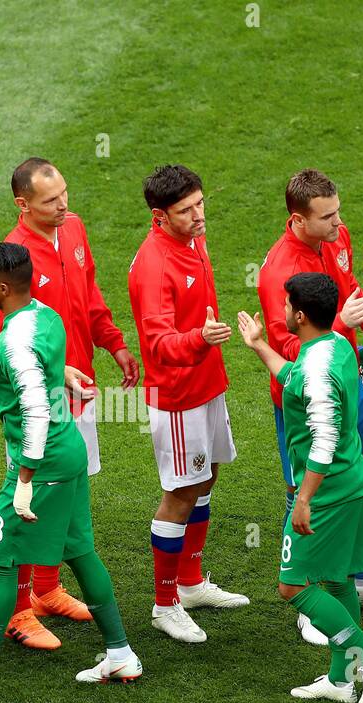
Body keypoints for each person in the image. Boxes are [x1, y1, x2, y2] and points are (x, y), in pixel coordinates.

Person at [0, 243, 141, 700]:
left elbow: (36, 409)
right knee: (80, 552)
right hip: (69, 451)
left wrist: (23, 480)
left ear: (2, 286)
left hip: (44, 463)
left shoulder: (18, 337)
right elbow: (19, 362)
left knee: (0, 562)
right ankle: (120, 654)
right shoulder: (43, 316)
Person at [0, 158, 140, 649]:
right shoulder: (13, 260)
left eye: (64, 194)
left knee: (68, 500)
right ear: (23, 204)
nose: (63, 205)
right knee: (30, 506)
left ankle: (47, 590)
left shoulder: (72, 230)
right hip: (38, 408)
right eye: (51, 201)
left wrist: (112, 342)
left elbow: (89, 294)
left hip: (81, 392)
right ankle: (20, 609)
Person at [238, 272, 363, 703]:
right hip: (354, 484)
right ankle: (338, 678)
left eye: (286, 304)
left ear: (301, 314)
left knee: (293, 586)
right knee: (338, 578)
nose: (282, 311)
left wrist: (305, 498)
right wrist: (258, 345)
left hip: (326, 492)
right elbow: (294, 375)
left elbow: (324, 440)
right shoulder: (335, 346)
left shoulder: (317, 365)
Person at [258, 169, 363, 648]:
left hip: (346, 379)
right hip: (301, 398)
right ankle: (310, 591)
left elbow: (349, 283)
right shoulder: (278, 273)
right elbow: (289, 349)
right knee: (301, 488)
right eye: (327, 217)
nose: (338, 222)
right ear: (298, 220)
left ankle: (361, 577)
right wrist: (342, 324)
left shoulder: (335, 235)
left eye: (338, 211)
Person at [129, 164, 248, 645]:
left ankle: (191, 582)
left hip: (207, 384)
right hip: (177, 396)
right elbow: (157, 345)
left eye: (200, 203)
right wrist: (199, 340)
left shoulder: (193, 240)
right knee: (181, 492)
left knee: (208, 476)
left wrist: (203, 345)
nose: (199, 216)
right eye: (186, 210)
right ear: (160, 216)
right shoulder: (155, 264)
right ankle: (164, 604)